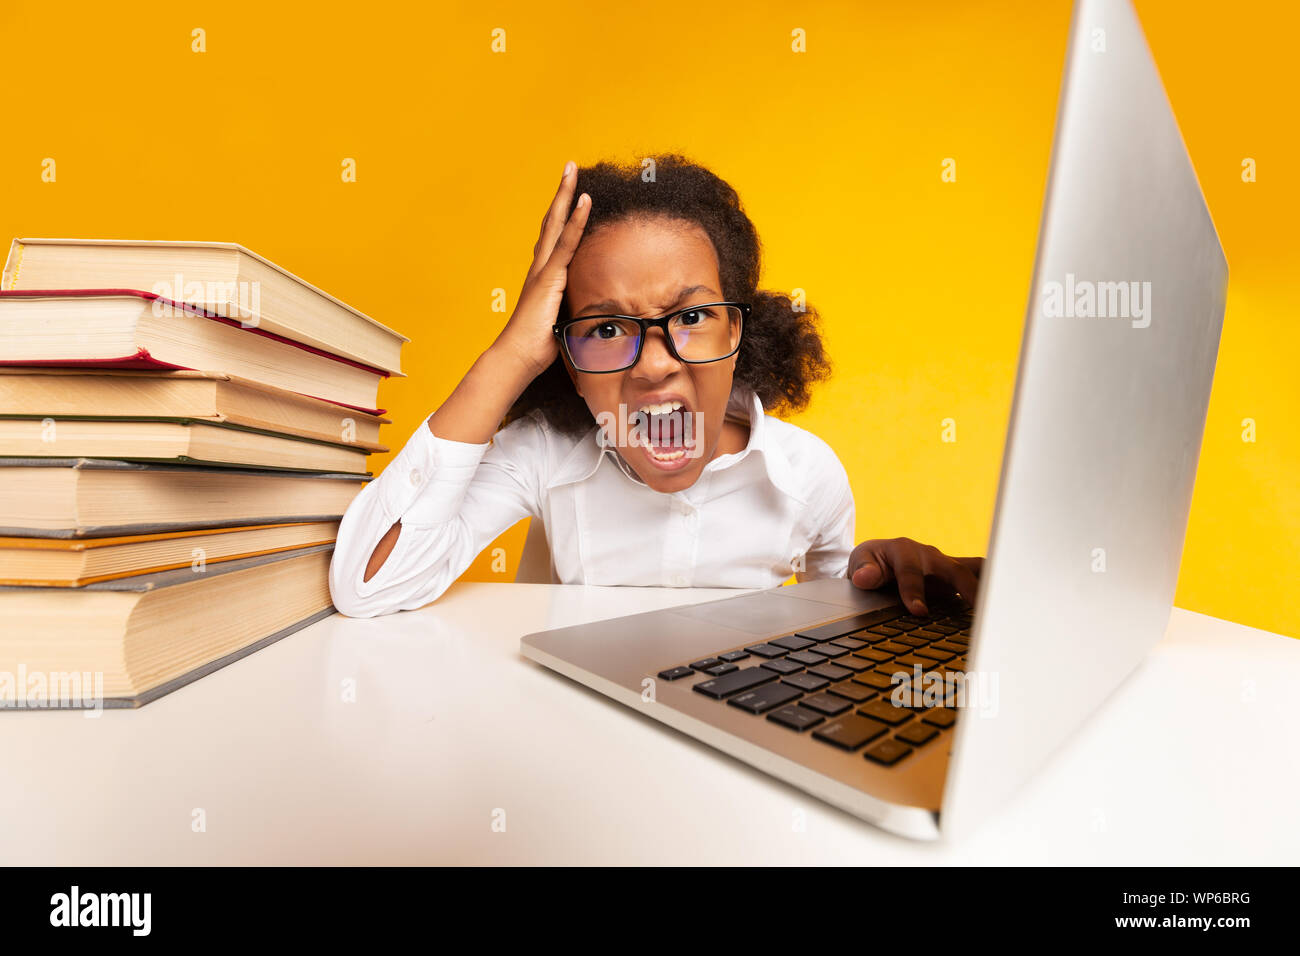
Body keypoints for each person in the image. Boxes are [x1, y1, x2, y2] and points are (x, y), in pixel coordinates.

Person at [329, 155, 983, 618]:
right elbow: (367, 586)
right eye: (607, 327)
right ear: (568, 362)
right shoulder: (545, 455)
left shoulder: (807, 477)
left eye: (691, 317)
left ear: (740, 334)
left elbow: (831, 628)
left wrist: (873, 590)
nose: (652, 365)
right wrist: (510, 355)